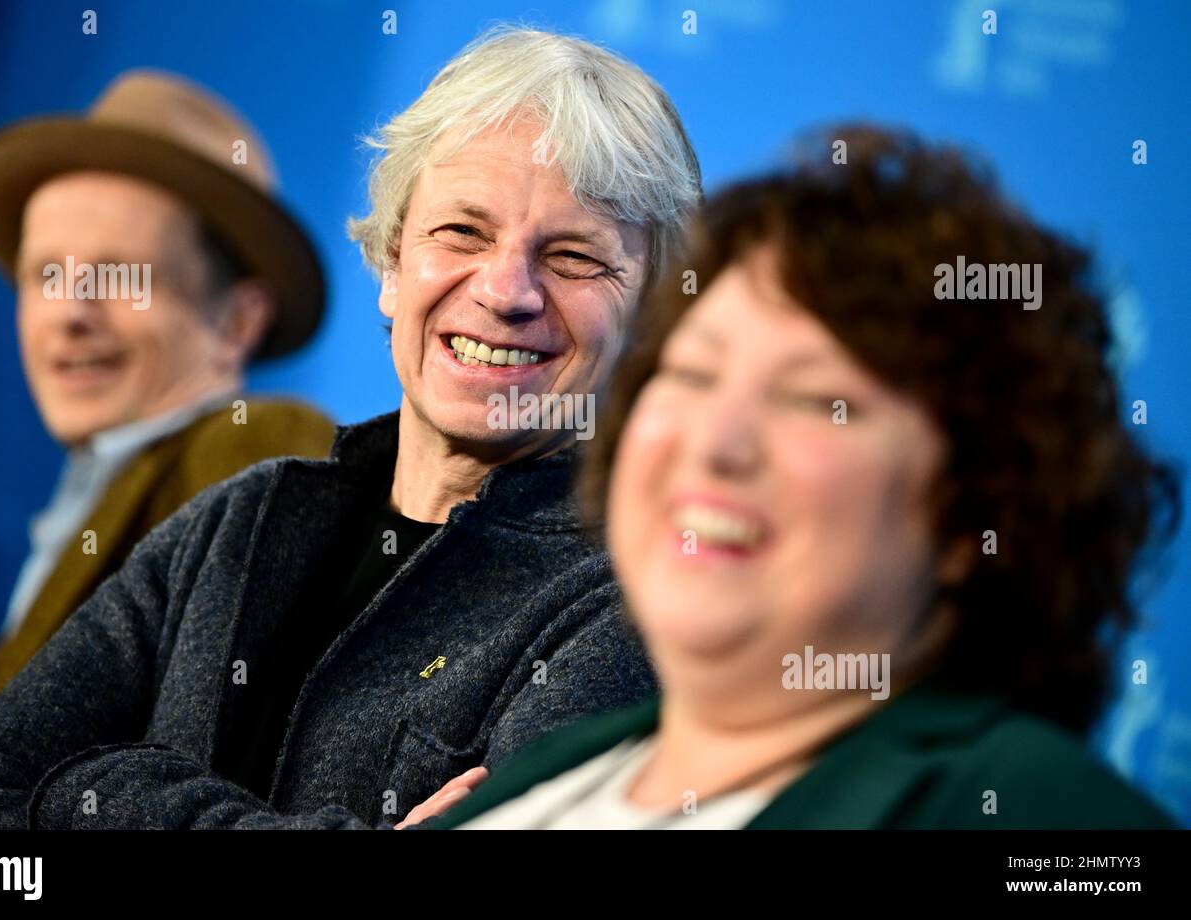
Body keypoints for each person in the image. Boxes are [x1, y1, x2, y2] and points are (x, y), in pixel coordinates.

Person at [0, 26, 702, 830]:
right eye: (463, 231)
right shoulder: (235, 519)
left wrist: (104, 788)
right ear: (393, 267)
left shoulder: (639, 607)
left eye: (573, 257)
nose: (506, 290)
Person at [426, 126, 1180, 830]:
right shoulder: (550, 772)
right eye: (691, 375)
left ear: (972, 515)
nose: (715, 442)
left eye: (816, 400)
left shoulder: (1040, 813)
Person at [0, 70, 337, 769]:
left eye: (118, 277)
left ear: (238, 319)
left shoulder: (255, 443)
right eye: (46, 276)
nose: (71, 314)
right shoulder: (96, 491)